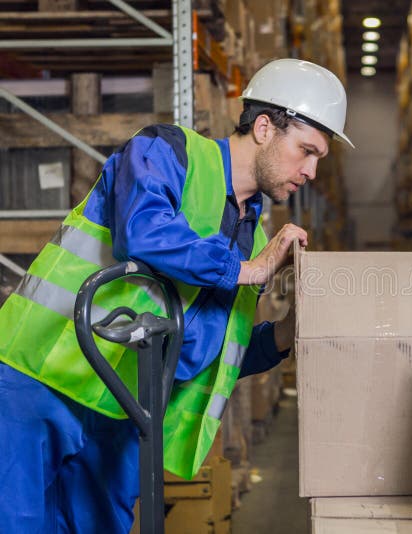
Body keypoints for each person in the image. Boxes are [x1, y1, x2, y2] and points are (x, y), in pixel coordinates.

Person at [0, 58, 353, 533]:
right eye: (306, 150)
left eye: (319, 159)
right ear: (265, 127)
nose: (310, 170)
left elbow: (207, 349)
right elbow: (142, 233)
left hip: (122, 411)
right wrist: (248, 269)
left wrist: (288, 334)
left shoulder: (247, 228)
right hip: (41, 382)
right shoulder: (166, 150)